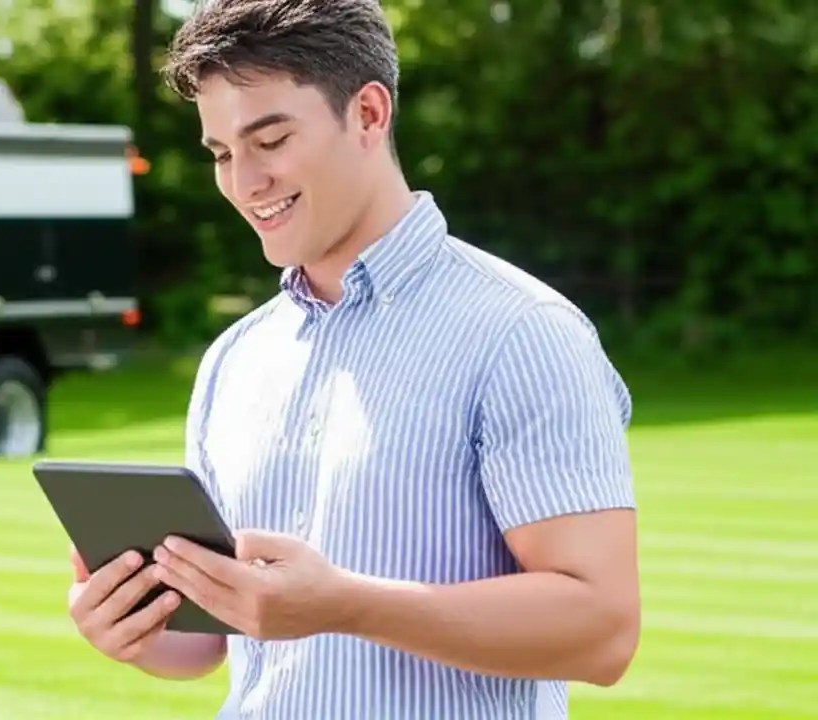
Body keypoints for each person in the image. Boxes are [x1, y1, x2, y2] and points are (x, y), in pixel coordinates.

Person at [67, 0, 641, 717]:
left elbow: (603, 630)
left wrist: (348, 606)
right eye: (220, 153)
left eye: (270, 139)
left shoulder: (522, 333)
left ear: (369, 113)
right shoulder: (236, 358)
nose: (244, 183)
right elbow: (215, 642)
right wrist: (130, 625)